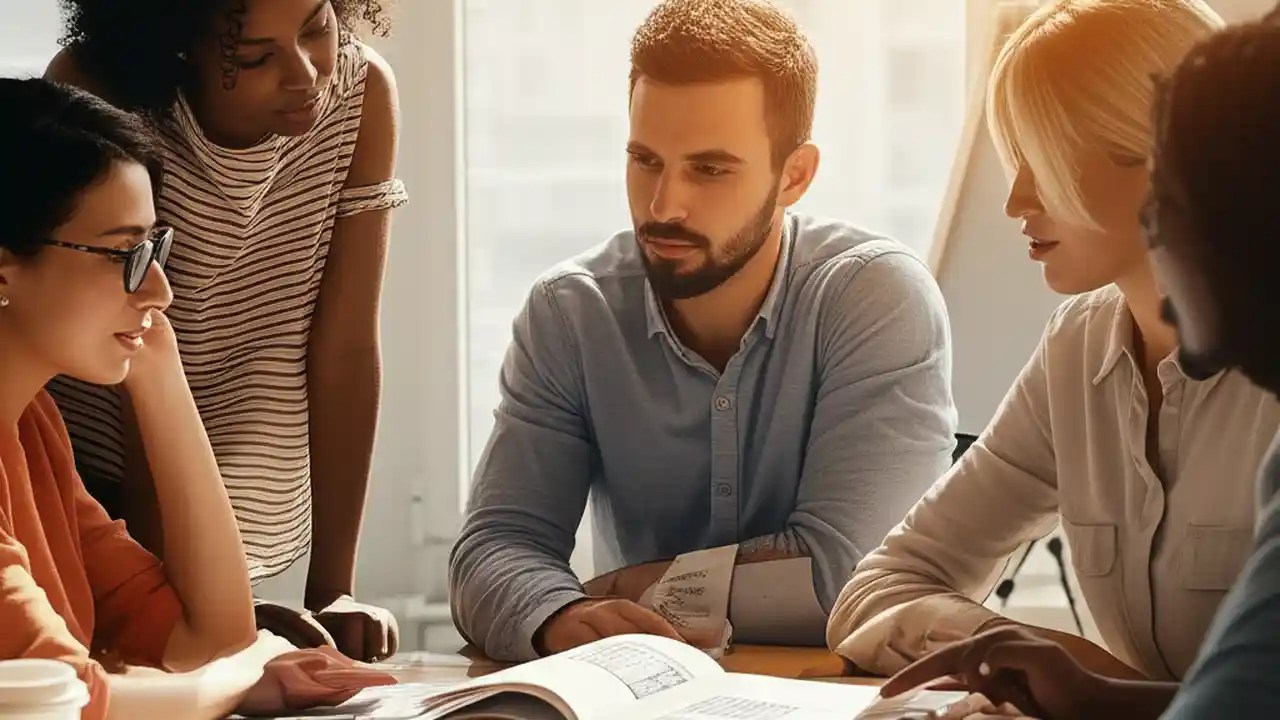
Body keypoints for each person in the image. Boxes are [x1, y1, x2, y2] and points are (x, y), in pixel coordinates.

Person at [450, 0, 956, 662]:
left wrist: (630, 587)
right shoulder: (571, 313)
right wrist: (560, 615)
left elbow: (850, 581)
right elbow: (491, 548)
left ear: (794, 175)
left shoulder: (873, 298)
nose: (664, 205)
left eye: (709, 169)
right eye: (645, 160)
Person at [826, 0, 1280, 684]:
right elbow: (882, 585)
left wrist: (1099, 691)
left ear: (1162, 152)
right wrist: (1002, 642)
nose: (1016, 200)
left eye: (1041, 156)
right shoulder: (1079, 347)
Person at [0, 76, 393, 720]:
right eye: (125, 253)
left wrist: (162, 380)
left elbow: (205, 636)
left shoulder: (32, 423)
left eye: (155, 249)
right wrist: (240, 679)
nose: (160, 289)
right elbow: (72, 699)